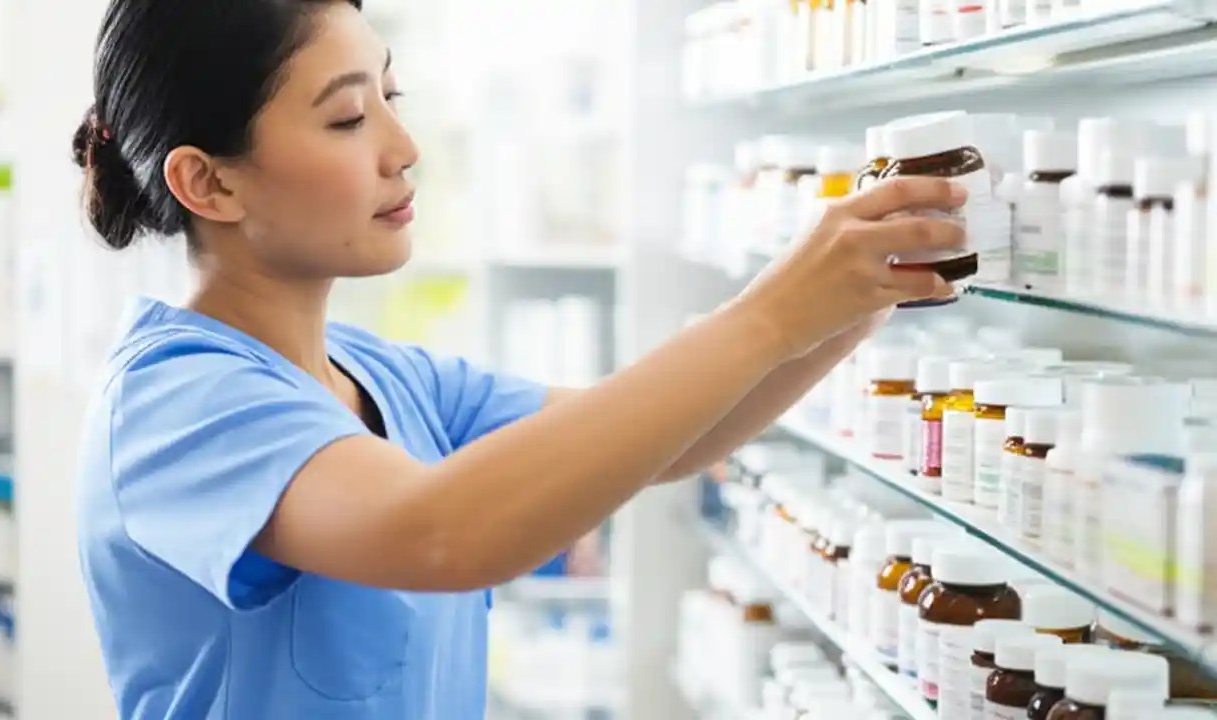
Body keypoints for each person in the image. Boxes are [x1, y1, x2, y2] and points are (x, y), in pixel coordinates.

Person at [71, 1, 966, 718]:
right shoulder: (173, 402)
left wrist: (862, 289)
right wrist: (773, 312)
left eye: (392, 97)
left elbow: (674, 439)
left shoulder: (387, 377)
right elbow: (443, 531)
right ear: (209, 182)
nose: (403, 147)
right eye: (348, 116)